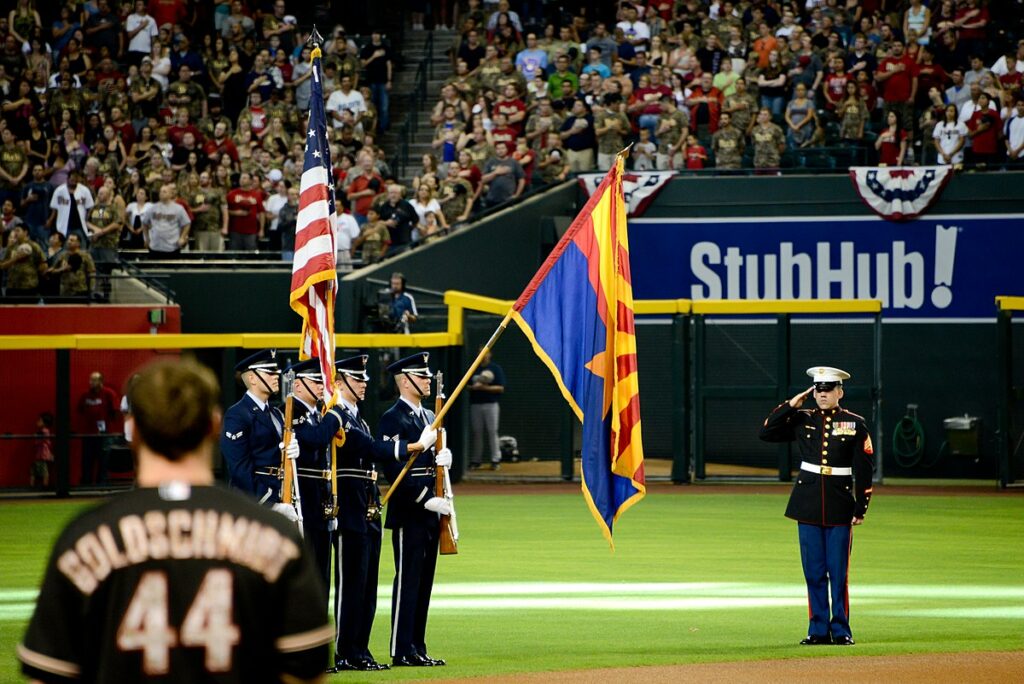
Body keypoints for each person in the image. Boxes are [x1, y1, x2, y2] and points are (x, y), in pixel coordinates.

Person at [18, 359, 332, 682]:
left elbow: (48, 673)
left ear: (133, 430)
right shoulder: (274, 537)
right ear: (213, 425)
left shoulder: (84, 538)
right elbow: (306, 669)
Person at [329, 354, 437, 673]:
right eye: (357, 379)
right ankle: (353, 651)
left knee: (367, 587)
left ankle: (363, 650)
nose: (364, 383)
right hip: (363, 508)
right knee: (354, 585)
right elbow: (379, 454)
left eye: (364, 379)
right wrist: (413, 448)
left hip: (367, 508)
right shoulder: (342, 418)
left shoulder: (357, 417)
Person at [759, 366, 874, 646]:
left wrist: (861, 507)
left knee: (838, 573)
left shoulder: (854, 423)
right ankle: (818, 630)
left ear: (840, 392)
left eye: (828, 390)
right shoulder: (802, 419)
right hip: (807, 503)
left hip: (839, 503)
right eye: (818, 390)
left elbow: (865, 467)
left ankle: (842, 630)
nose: (822, 395)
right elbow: (767, 432)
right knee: (813, 572)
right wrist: (791, 404)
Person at [378, 352, 453, 667]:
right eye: (420, 376)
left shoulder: (427, 417)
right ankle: (400, 648)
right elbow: (394, 470)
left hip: (431, 511)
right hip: (410, 510)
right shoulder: (392, 418)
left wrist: (444, 460)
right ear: (404, 381)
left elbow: (431, 464)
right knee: (408, 580)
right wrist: (425, 497)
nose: (425, 380)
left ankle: (417, 646)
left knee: (424, 582)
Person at [220, 349, 296, 519]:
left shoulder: (276, 414)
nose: (276, 376)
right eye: (269, 372)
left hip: (280, 493)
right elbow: (239, 469)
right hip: (253, 501)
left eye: (276, 372)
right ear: (252, 378)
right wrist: (269, 502)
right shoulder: (238, 414)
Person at [77, 371, 119, 486]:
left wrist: (108, 425)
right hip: (88, 434)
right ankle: (86, 484)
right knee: (87, 461)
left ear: (101, 381)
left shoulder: (109, 394)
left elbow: (115, 412)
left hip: (104, 435)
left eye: (94, 380)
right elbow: (80, 409)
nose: (91, 382)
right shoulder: (85, 395)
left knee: (103, 461)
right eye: (90, 380)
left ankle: (102, 484)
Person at [469, 349, 505, 470]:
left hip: (491, 405)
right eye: (481, 353)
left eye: (486, 353)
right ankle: (476, 460)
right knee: (477, 433)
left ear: (490, 354)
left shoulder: (495, 368)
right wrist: (473, 387)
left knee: (492, 431)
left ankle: (496, 459)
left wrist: (483, 387)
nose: (483, 356)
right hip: (476, 405)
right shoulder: (474, 368)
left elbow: (500, 388)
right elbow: (466, 385)